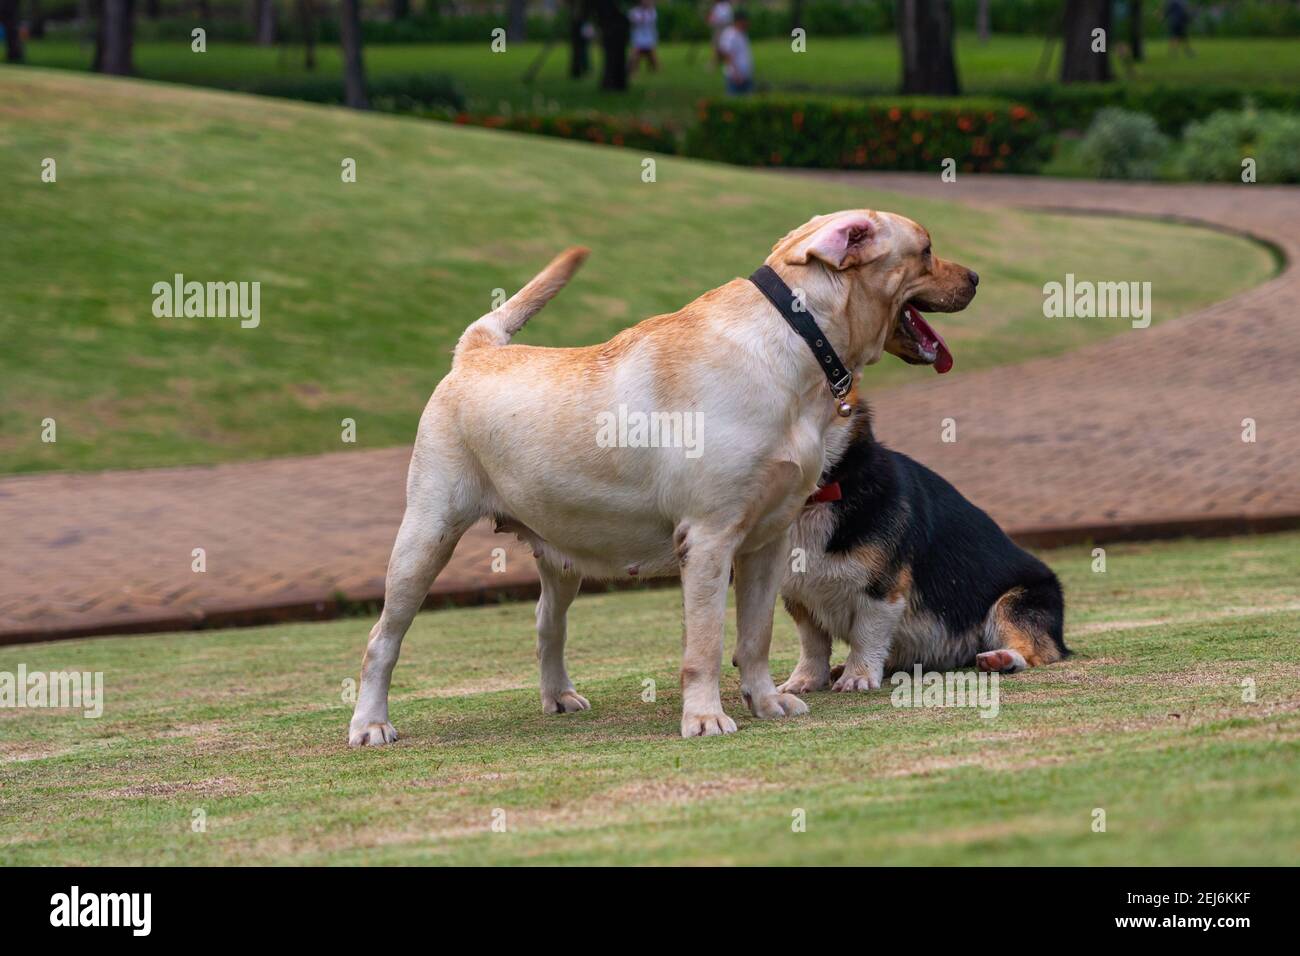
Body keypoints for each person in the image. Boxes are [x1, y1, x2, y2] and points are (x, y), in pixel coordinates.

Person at [717, 7, 754, 95]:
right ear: (740, 21)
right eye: (746, 21)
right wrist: (736, 74)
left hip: (745, 76)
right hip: (735, 78)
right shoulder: (730, 34)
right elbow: (726, 54)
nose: (748, 23)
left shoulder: (742, 33)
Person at [629, 0, 659, 74]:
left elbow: (646, 20)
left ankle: (654, 70)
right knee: (634, 56)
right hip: (638, 38)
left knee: (653, 59)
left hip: (649, 38)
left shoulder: (652, 12)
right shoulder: (634, 11)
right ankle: (633, 71)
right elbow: (633, 21)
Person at [707, 0, 733, 66]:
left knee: (720, 46)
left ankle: (715, 62)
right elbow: (713, 17)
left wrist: (714, 20)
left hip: (723, 28)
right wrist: (711, 19)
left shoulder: (725, 6)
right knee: (716, 46)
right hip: (719, 28)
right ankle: (717, 61)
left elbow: (726, 18)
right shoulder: (718, 6)